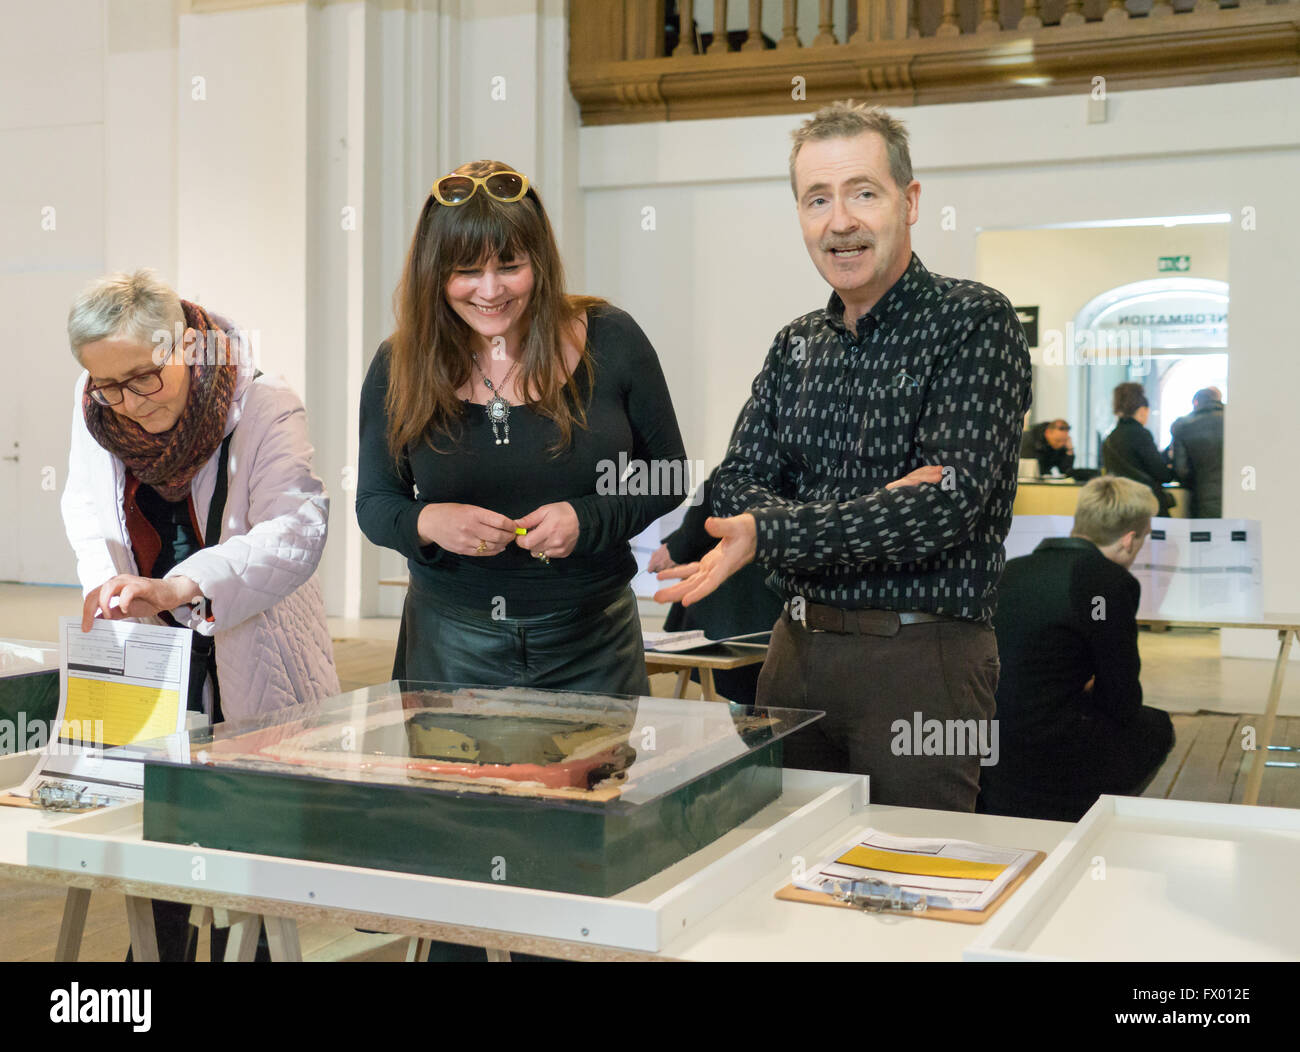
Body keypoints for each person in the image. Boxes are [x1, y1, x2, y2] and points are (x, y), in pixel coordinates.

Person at [655, 101, 1032, 812]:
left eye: (864, 192)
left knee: (910, 879)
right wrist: (877, 501)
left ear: (909, 201)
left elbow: (942, 506)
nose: (840, 221)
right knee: (779, 869)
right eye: (816, 200)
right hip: (792, 652)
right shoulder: (795, 343)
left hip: (923, 662)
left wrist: (776, 529)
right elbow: (736, 481)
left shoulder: (974, 322)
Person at [62, 268, 338, 960]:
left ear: (184, 344)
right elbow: (85, 505)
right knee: (150, 831)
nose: (127, 403)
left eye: (145, 377)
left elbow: (294, 531)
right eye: (109, 385)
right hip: (150, 651)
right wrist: (107, 582)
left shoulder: (265, 401)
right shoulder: (95, 401)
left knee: (252, 850)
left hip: (250, 643)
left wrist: (182, 585)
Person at [356, 160, 689, 698]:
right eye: (466, 271)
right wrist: (429, 522)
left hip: (593, 642)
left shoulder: (612, 338)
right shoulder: (398, 365)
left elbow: (669, 475)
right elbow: (374, 502)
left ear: (541, 261)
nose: (490, 290)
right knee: (451, 786)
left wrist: (589, 517)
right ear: (433, 274)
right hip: (449, 644)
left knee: (597, 785)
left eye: (510, 265)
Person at [978, 476, 1175, 821]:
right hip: (1044, 749)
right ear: (1129, 540)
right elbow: (1122, 699)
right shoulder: (1108, 582)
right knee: (1155, 727)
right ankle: (1083, 810)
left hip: (983, 742)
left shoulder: (1012, 569)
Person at [650, 465, 785, 706]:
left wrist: (679, 545)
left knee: (749, 691)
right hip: (773, 590)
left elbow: (722, 484)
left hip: (745, 592)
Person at [1101, 381, 1176, 515]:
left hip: (1120, 505)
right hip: (1143, 505)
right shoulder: (1140, 434)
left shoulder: (1110, 438)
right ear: (1141, 410)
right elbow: (1162, 474)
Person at [1169, 386, 1224, 517]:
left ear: (1196, 402)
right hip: (1239, 496)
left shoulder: (1183, 425)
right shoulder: (1237, 419)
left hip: (1202, 498)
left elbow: (1181, 470)